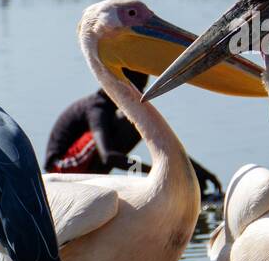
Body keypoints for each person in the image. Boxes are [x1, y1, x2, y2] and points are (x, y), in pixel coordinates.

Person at [44, 68, 223, 197]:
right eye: (138, 90)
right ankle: (91, 186)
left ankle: (186, 172)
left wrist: (194, 171)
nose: (140, 96)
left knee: (141, 123)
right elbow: (108, 157)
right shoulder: (97, 109)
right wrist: (155, 171)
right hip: (61, 170)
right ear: (124, 86)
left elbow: (159, 138)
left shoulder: (110, 110)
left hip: (82, 163)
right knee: (132, 124)